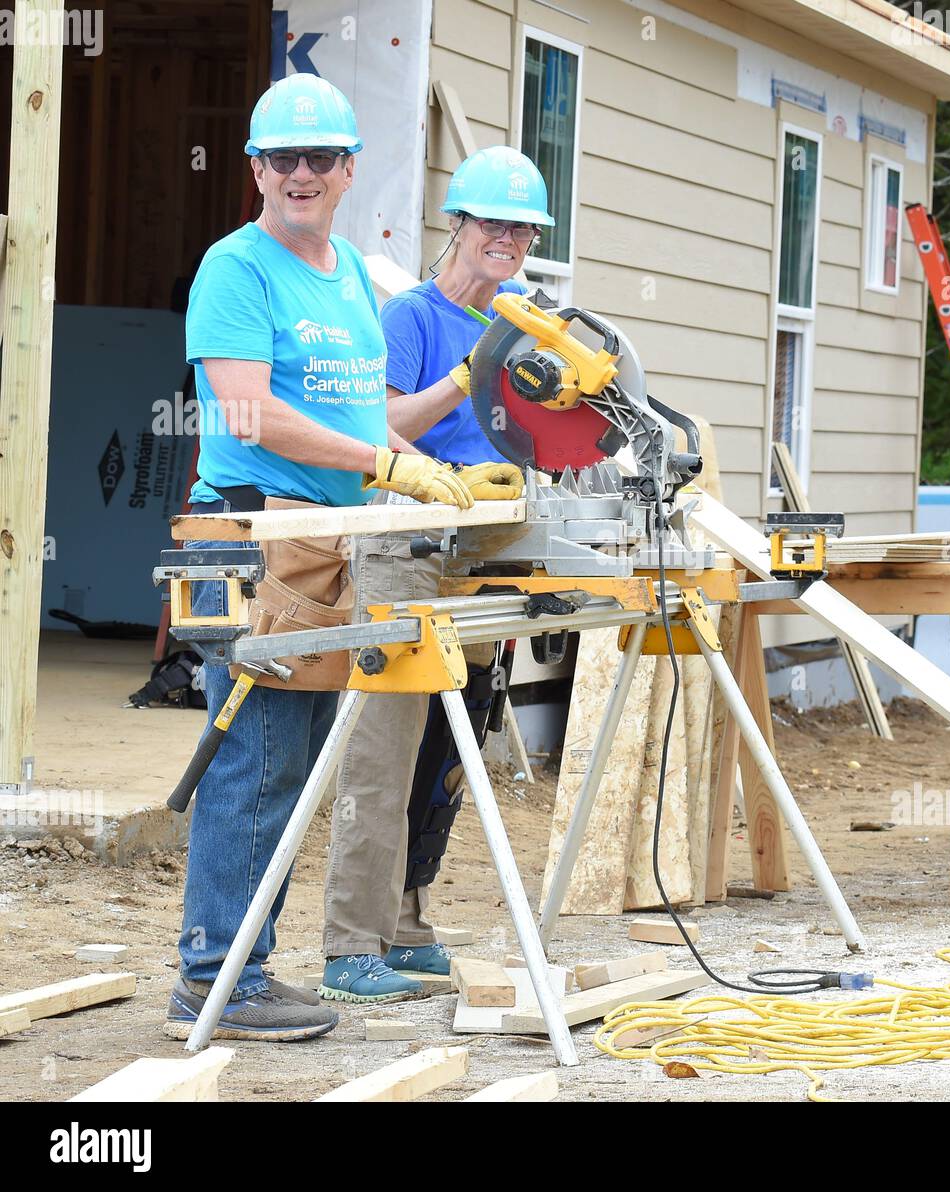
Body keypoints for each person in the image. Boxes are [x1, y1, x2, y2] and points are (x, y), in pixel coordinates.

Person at [166, 74, 496, 1041]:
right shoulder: (238, 267)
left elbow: (361, 416)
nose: (300, 175)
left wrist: (420, 464)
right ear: (256, 169)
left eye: (320, 159)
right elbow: (247, 411)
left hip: (331, 536)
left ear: (351, 169)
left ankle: (239, 972)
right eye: (282, 159)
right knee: (259, 763)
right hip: (257, 533)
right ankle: (215, 978)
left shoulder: (352, 271)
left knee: (296, 760)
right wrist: (385, 462)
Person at [318, 147, 551, 1001]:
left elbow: (533, 425)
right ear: (459, 224)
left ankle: (407, 924)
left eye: (523, 230)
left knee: (452, 747)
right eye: (494, 224)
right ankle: (350, 945)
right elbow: (383, 426)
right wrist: (469, 371)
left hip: (484, 548)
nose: (509, 242)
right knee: (385, 747)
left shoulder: (524, 319)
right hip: (404, 545)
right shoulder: (411, 317)